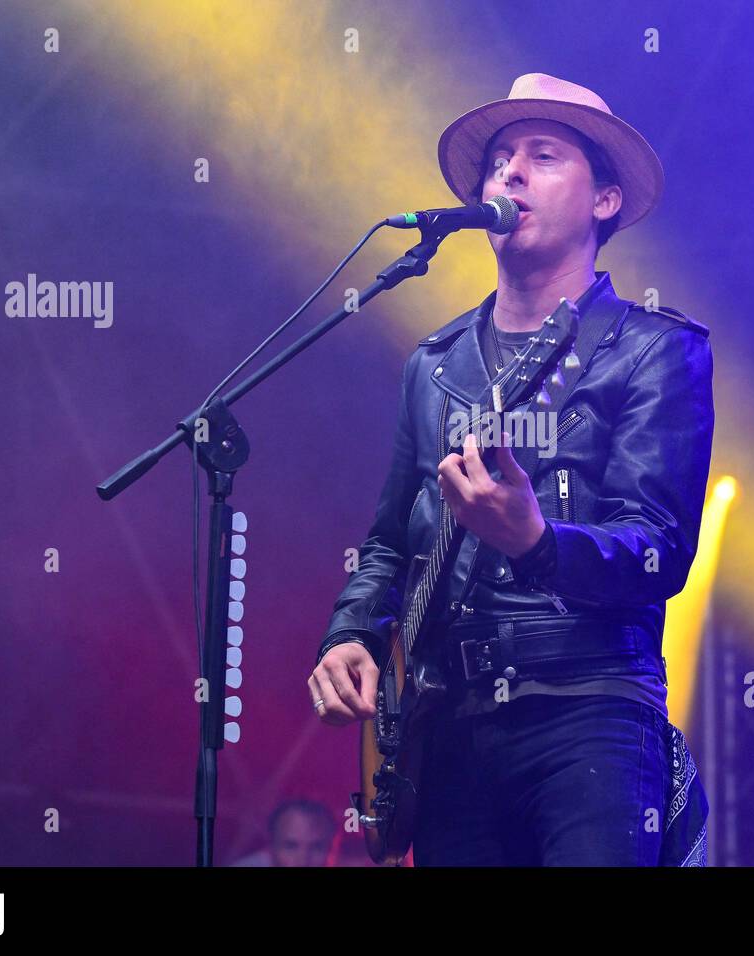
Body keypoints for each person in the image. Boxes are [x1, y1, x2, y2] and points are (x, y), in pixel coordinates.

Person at [308, 73, 712, 866]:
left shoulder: (654, 350)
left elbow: (660, 548)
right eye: (498, 159)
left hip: (589, 708)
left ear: (604, 200)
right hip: (450, 727)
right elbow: (392, 540)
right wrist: (352, 634)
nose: (509, 173)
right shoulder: (433, 365)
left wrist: (537, 542)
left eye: (543, 155)